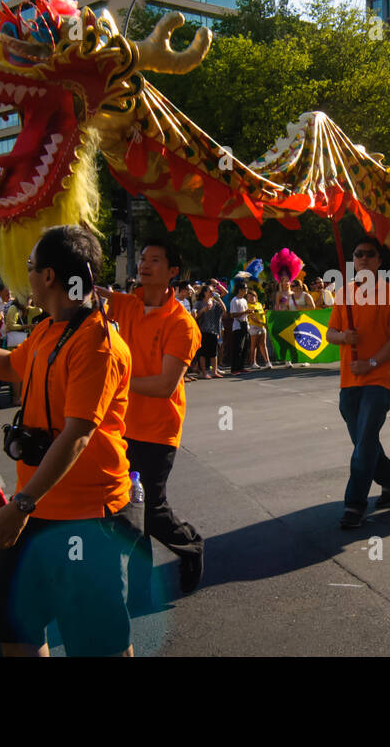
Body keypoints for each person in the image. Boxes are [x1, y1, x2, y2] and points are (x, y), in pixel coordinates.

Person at [0, 225, 139, 657]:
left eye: (30, 267)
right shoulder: (47, 329)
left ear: (50, 276)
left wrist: (20, 506)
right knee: (16, 633)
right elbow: (11, 365)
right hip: (36, 507)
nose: (27, 275)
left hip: (85, 518)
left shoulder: (98, 343)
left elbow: (78, 433)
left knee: (98, 645)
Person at [104, 238, 205, 597]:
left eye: (155, 259)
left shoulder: (182, 324)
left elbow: (165, 385)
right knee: (130, 505)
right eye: (143, 258)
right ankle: (142, 585)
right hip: (120, 427)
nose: (144, 265)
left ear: (172, 272)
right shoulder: (127, 305)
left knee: (150, 510)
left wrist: (118, 381)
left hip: (158, 431)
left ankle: (191, 546)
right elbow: (89, 292)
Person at [325, 236, 390, 528]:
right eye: (358, 254)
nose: (363, 258)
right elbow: (330, 333)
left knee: (363, 444)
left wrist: (372, 362)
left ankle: (354, 505)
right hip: (349, 382)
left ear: (378, 261)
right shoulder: (343, 294)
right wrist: (344, 338)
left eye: (369, 254)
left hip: (379, 379)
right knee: (364, 441)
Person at [193, 284, 225, 379]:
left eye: (212, 291)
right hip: (202, 330)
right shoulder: (199, 303)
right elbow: (195, 317)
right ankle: (204, 372)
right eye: (210, 291)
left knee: (213, 353)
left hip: (214, 330)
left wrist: (219, 299)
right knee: (203, 352)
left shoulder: (214, 302)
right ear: (204, 292)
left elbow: (224, 310)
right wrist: (203, 310)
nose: (212, 293)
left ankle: (214, 371)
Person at [228, 282, 250, 375]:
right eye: (245, 288)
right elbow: (232, 314)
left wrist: (247, 313)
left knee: (245, 347)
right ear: (240, 290)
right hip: (238, 326)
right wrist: (245, 312)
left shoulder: (244, 300)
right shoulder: (234, 300)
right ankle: (234, 368)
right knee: (238, 348)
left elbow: (245, 313)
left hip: (245, 324)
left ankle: (241, 366)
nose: (246, 290)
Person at [245, 290, 270, 369]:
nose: (251, 298)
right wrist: (262, 323)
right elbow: (252, 317)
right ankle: (253, 362)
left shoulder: (259, 304)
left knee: (263, 344)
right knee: (254, 345)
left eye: (253, 296)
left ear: (256, 297)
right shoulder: (247, 305)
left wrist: (264, 313)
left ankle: (267, 362)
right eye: (249, 297)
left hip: (262, 327)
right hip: (254, 326)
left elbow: (260, 314)